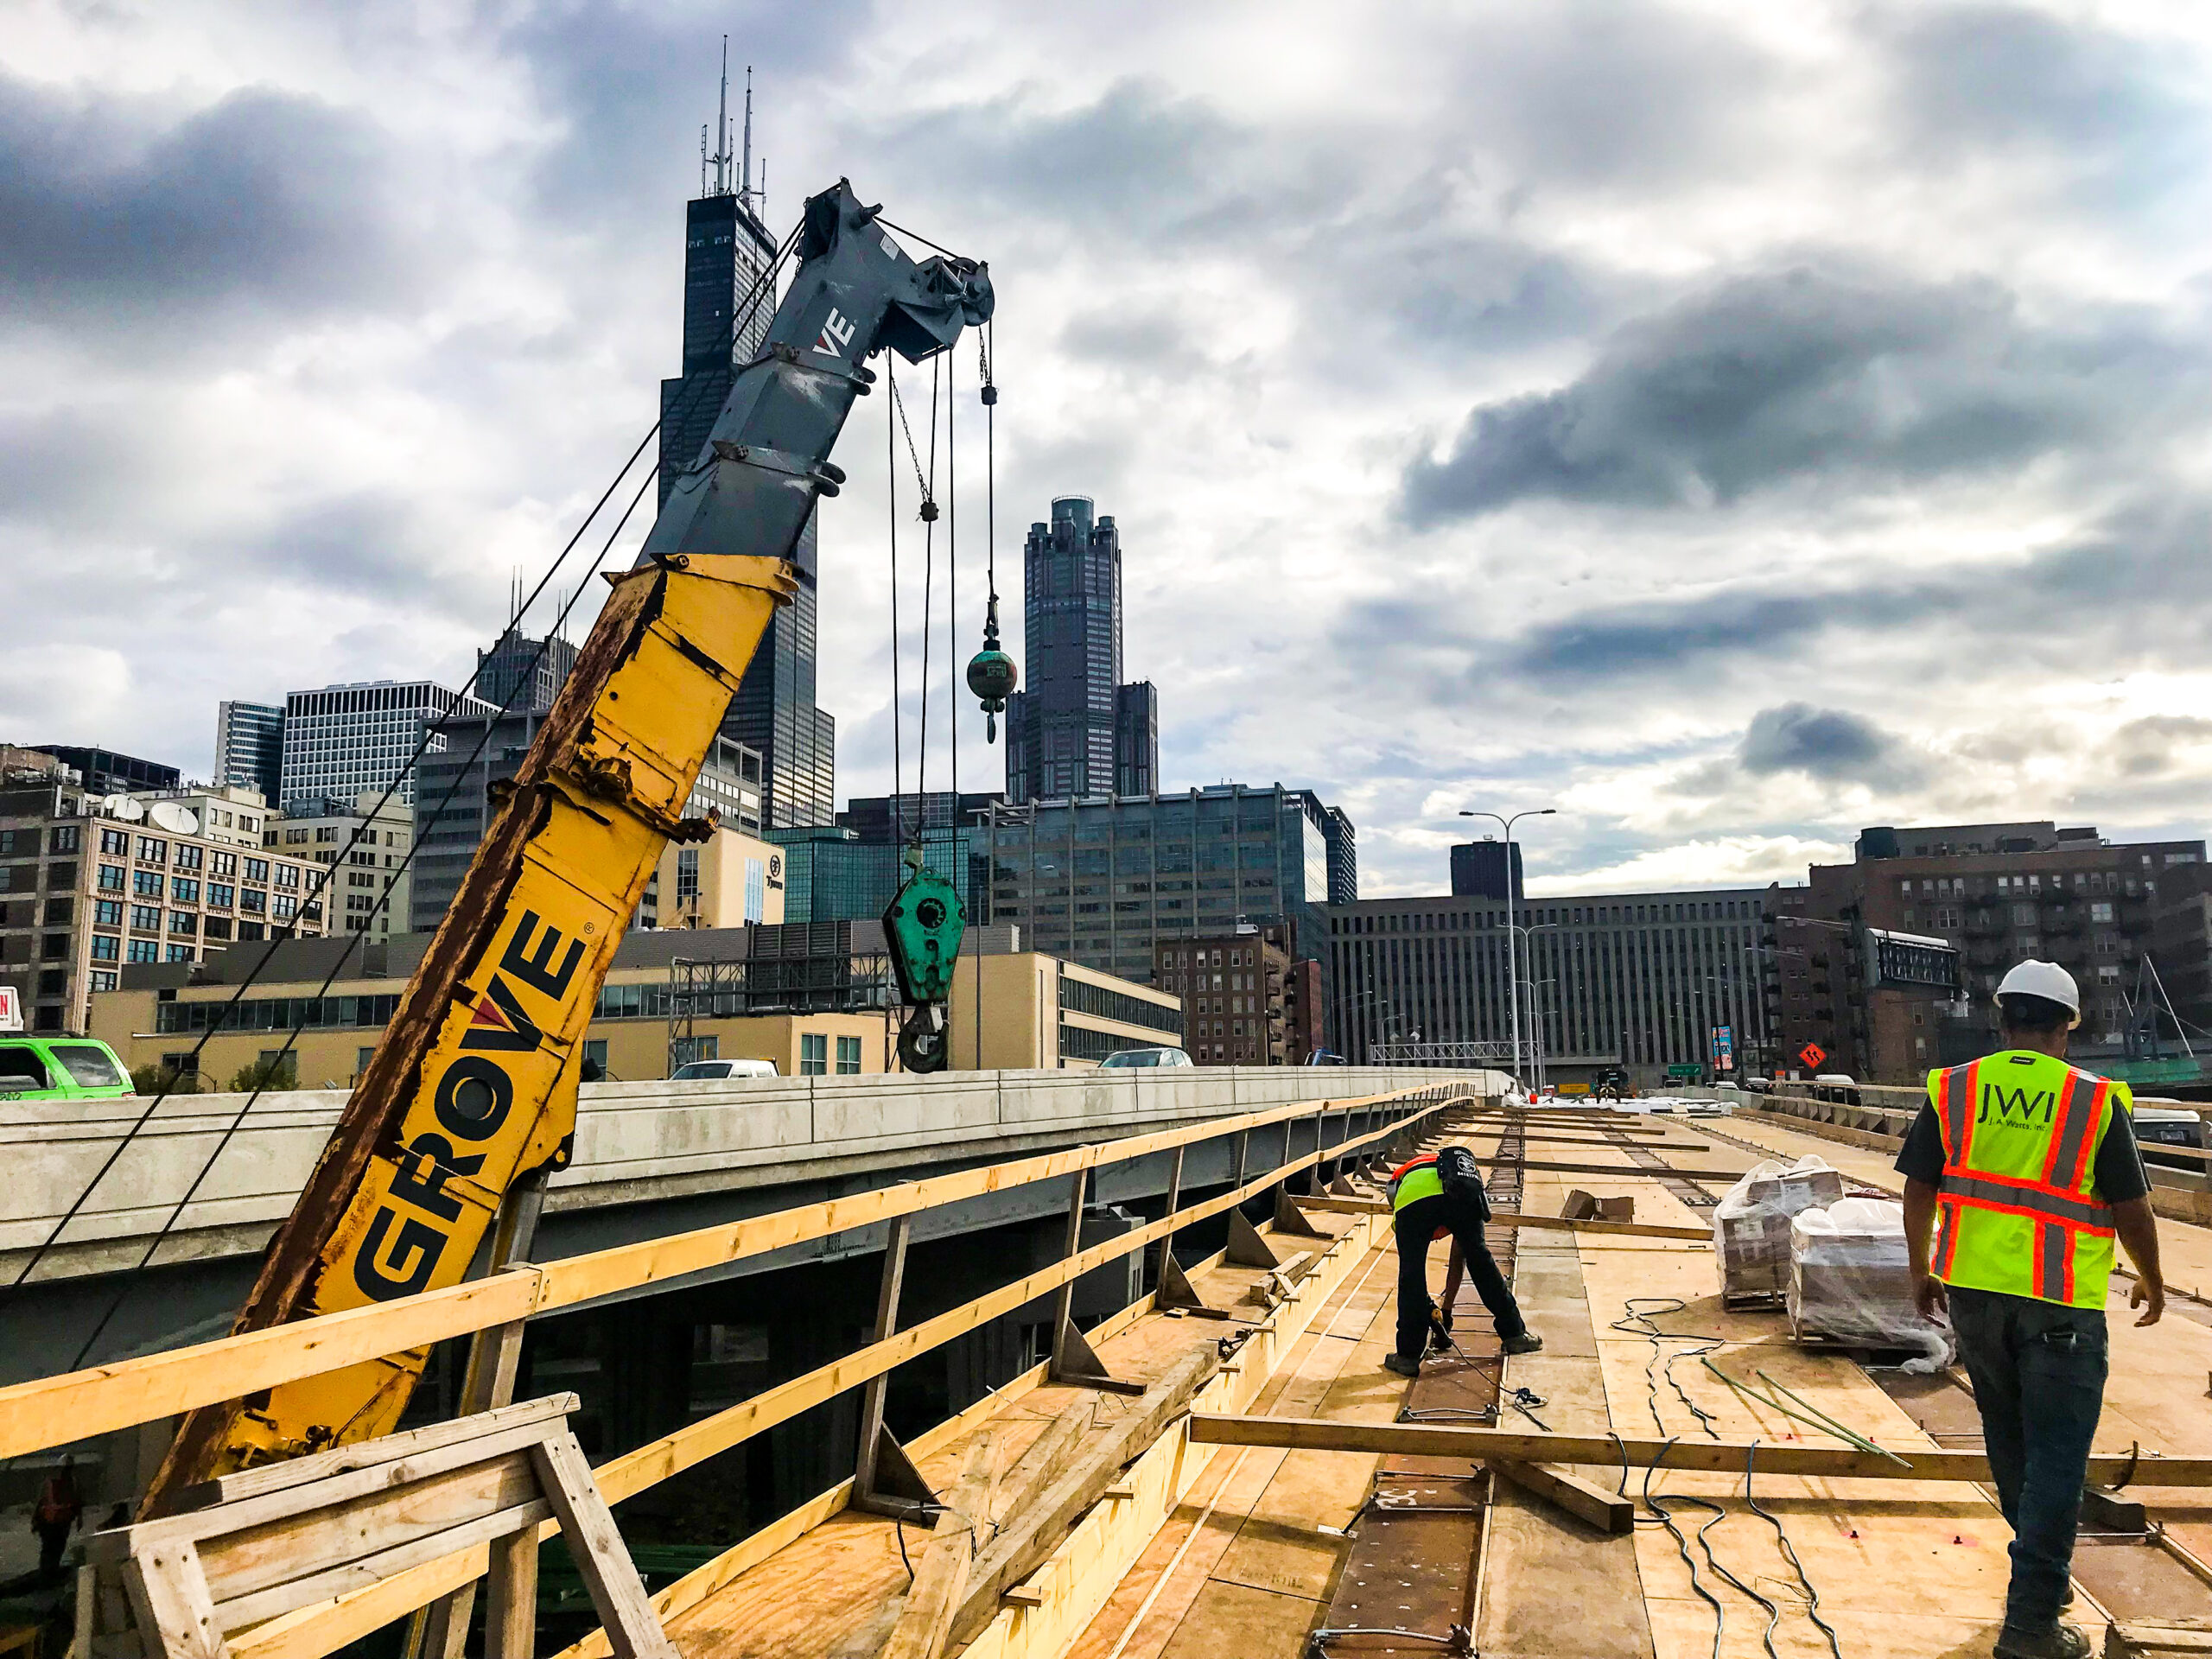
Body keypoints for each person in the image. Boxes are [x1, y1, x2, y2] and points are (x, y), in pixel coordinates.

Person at [1897, 959, 2164, 1659]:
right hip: (2060, 1307)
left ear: (2004, 1018)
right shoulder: (2091, 1099)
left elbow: (1920, 1187)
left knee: (2013, 1449)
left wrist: (1922, 1269)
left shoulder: (1956, 1088)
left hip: (1975, 1298)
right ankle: (2030, 1628)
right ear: (2067, 1027)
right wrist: (2152, 1278)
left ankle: (2041, 1590)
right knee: (2056, 1460)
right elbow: (2132, 1206)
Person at [1382, 1143, 1541, 1376]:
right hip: (1466, 1194)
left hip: (1417, 1204)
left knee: (1411, 1273)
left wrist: (1439, 1311)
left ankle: (1408, 1356)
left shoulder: (1405, 1195)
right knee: (1481, 1262)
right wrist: (1443, 1311)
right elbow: (1460, 1259)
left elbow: (1413, 1278)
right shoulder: (1455, 1172)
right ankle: (1514, 1333)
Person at [31, 1454, 82, 1578]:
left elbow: (77, 1501)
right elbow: (41, 1502)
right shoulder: (50, 1483)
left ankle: (51, 1572)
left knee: (57, 1548)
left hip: (62, 1522)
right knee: (49, 1548)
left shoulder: (72, 1483)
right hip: (49, 1522)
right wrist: (35, 1520)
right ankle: (46, 1573)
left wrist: (79, 1518)